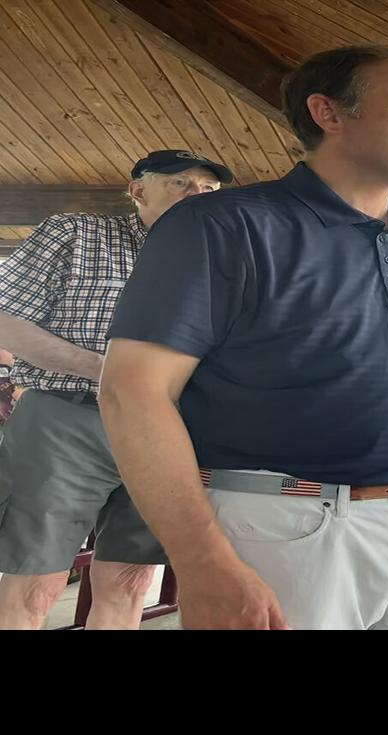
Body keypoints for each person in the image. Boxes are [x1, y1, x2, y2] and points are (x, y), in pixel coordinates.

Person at [99, 45, 388, 629]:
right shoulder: (221, 226)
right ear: (329, 113)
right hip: (285, 527)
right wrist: (199, 560)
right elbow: (132, 394)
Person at [0, 150, 230, 629]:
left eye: (208, 190)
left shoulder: (218, 258)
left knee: (131, 580)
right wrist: (106, 369)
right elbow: (7, 318)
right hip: (67, 418)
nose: (197, 196)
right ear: (139, 190)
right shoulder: (76, 234)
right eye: (181, 183)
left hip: (168, 428)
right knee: (36, 581)